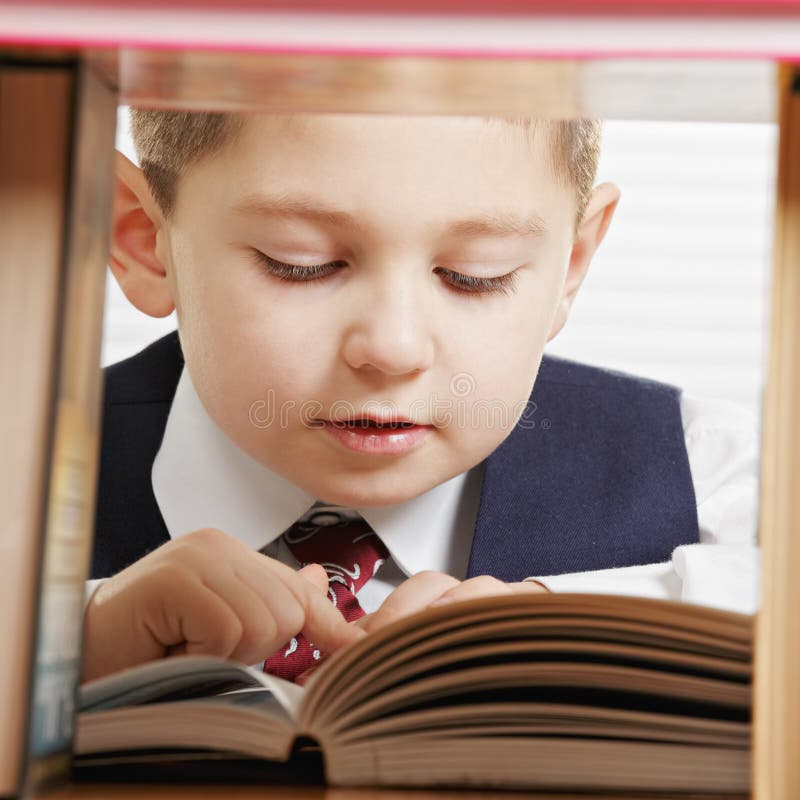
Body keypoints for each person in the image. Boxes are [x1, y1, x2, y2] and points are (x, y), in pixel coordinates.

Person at [82, 112, 759, 683]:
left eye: (475, 277)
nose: (394, 347)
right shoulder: (23, 467)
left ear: (571, 266)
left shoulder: (709, 471)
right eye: (301, 264)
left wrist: (574, 622)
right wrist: (63, 642)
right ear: (144, 241)